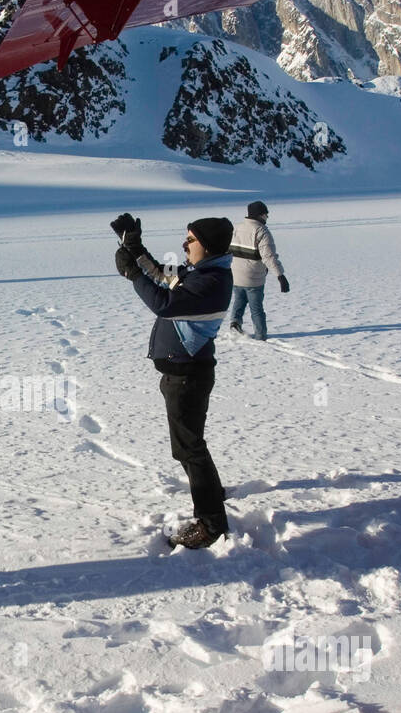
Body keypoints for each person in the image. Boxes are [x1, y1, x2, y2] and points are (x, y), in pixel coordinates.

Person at [112, 213, 233, 549]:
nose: (184, 244)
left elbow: (163, 303)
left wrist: (133, 272)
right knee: (191, 447)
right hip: (183, 375)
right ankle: (212, 492)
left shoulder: (210, 282)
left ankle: (211, 524)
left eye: (191, 239)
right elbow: (161, 276)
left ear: (207, 246)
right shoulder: (200, 273)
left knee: (189, 448)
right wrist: (134, 248)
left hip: (188, 378)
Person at [228, 200, 289, 340]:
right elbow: (268, 256)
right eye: (265, 215)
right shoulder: (261, 231)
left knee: (239, 300)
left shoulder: (236, 227)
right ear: (260, 215)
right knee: (256, 309)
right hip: (253, 277)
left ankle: (235, 324)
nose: (267, 217)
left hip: (235, 274)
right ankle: (261, 336)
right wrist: (280, 275)